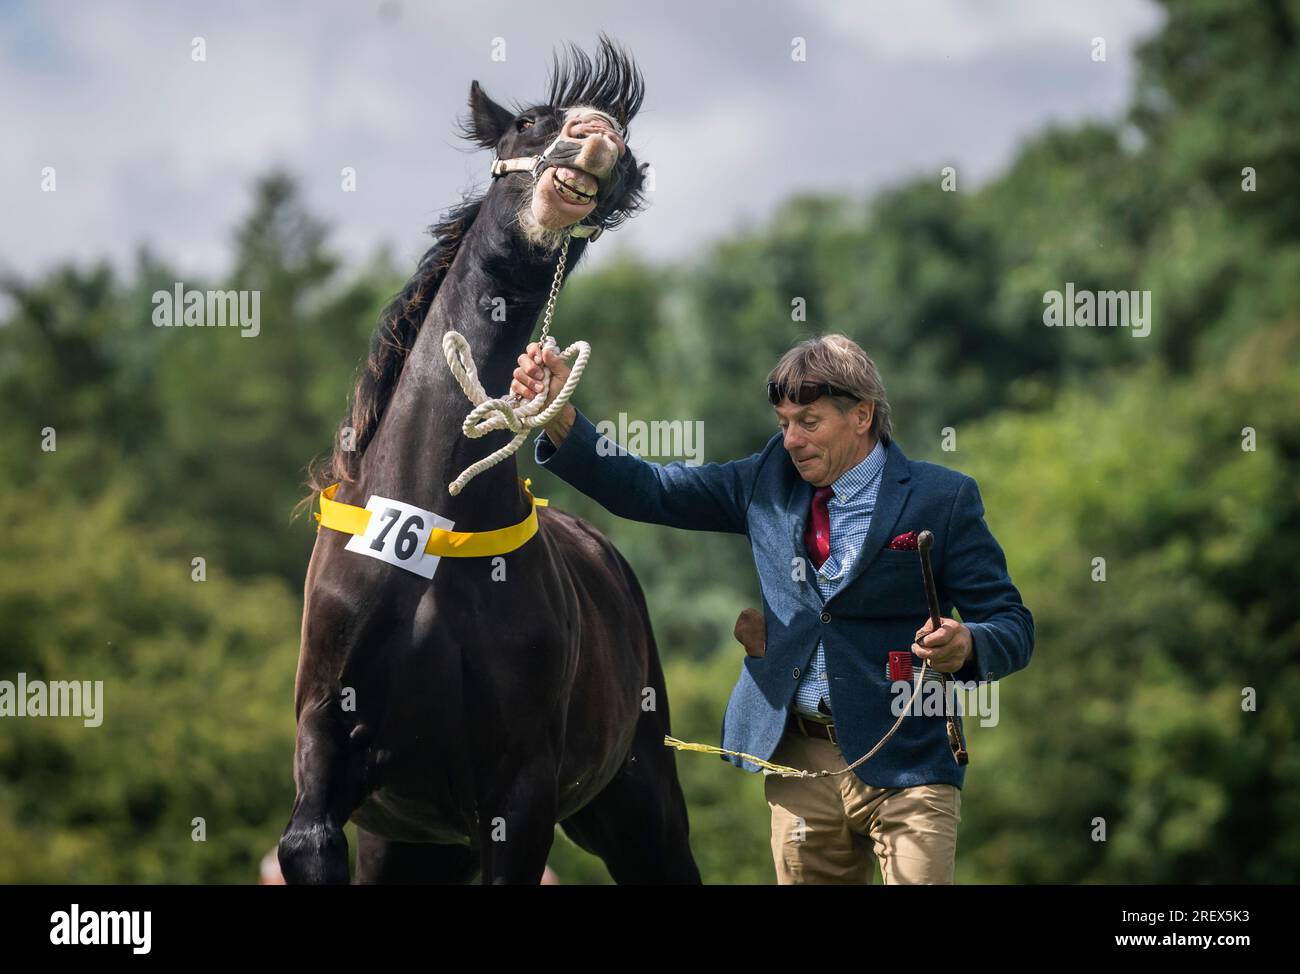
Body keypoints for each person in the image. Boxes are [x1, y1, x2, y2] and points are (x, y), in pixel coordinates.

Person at [515, 333, 1033, 884]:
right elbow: (652, 489)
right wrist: (562, 419)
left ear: (862, 415)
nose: (790, 439)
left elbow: (1012, 625)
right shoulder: (764, 481)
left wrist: (968, 644)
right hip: (799, 763)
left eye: (809, 422)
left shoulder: (942, 498)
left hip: (911, 759)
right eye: (784, 422)